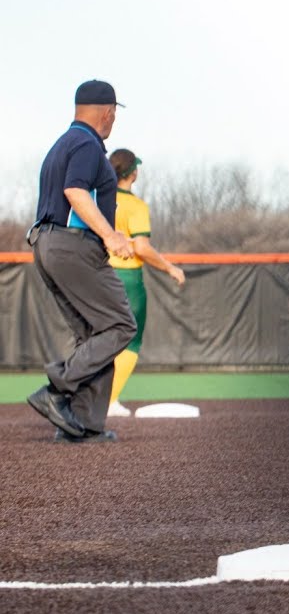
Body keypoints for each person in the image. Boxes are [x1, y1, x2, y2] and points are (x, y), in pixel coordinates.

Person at [26, 80, 137, 443]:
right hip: (73, 247)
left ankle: (80, 424)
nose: (114, 119)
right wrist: (111, 235)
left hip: (46, 243)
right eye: (115, 113)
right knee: (120, 325)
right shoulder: (88, 144)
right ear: (108, 112)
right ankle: (57, 390)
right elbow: (74, 191)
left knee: (93, 334)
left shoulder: (63, 143)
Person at [105, 149, 186, 418]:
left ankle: (86, 398)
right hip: (127, 277)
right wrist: (170, 267)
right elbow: (141, 247)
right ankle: (109, 401)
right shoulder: (135, 206)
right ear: (132, 173)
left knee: (99, 338)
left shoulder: (99, 199)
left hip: (99, 273)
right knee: (131, 339)